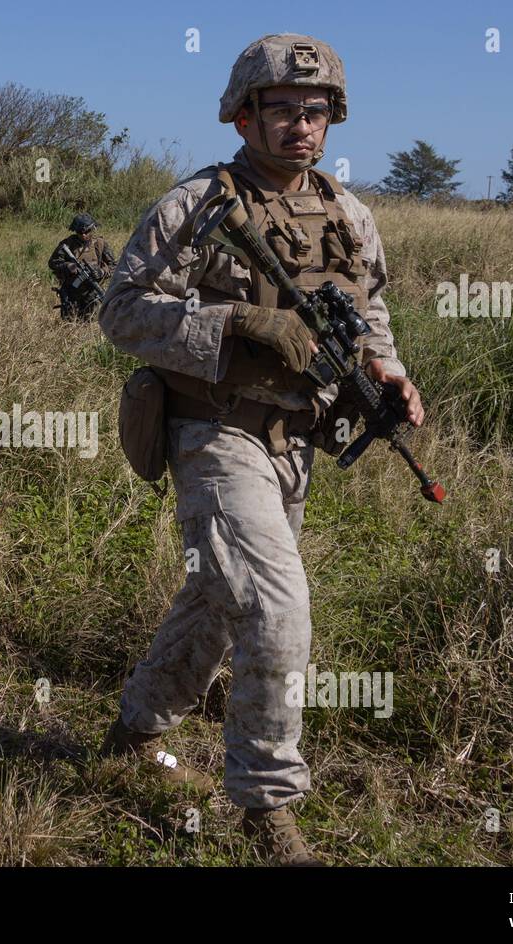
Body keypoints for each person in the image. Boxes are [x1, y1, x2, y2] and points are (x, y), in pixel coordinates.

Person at [96, 34, 426, 865]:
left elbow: (371, 313)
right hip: (212, 429)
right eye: (282, 110)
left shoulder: (349, 215)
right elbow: (122, 313)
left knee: (217, 598)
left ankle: (135, 728)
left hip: (296, 441)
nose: (302, 127)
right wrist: (235, 322)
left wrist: (387, 374)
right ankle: (266, 806)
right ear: (244, 116)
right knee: (276, 610)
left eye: (317, 112)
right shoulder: (197, 203)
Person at [47, 212, 115, 320]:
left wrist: (102, 271)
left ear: (92, 229)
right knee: (69, 325)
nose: (83, 235)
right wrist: (68, 265)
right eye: (80, 232)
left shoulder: (100, 244)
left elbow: (114, 266)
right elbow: (53, 262)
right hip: (71, 292)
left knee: (90, 324)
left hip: (92, 292)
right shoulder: (67, 244)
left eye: (87, 231)